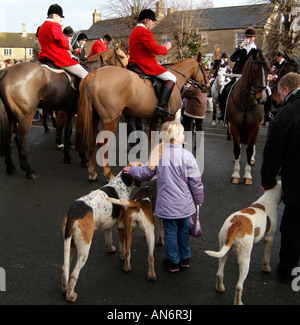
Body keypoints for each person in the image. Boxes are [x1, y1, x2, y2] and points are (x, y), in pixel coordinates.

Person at [124, 121, 204, 272]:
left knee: (170, 232)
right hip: (184, 204)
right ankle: (185, 258)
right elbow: (196, 182)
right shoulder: (188, 156)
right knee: (184, 230)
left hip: (167, 206)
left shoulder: (159, 154)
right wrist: (198, 200)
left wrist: (132, 170)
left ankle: (173, 261)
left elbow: (145, 173)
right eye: (181, 133)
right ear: (178, 138)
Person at [261, 72, 300, 284]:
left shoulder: (286, 114)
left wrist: (267, 181)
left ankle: (288, 271)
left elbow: (273, 154)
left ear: (285, 90)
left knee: (292, 226)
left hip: (297, 182)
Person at [128, 9, 176, 116]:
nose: (153, 23)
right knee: (172, 78)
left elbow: (146, 51)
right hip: (144, 64)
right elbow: (155, 49)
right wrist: (166, 47)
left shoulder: (134, 31)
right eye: (152, 21)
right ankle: (162, 106)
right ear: (146, 20)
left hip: (134, 62)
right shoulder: (144, 31)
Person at [38, 4, 88, 80]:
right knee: (85, 75)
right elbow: (63, 42)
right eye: (60, 16)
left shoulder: (41, 27)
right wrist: (68, 45)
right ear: (54, 16)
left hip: (45, 57)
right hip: (58, 57)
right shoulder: (54, 25)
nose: (61, 19)